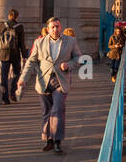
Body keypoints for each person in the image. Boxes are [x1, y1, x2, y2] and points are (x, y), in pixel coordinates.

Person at [16, 17, 82, 154]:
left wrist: (68, 65)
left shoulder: (70, 41)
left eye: (57, 26)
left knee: (57, 110)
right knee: (46, 112)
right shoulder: (39, 43)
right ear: (48, 29)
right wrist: (23, 78)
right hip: (43, 82)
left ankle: (57, 141)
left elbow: (79, 58)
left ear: (61, 27)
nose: (55, 29)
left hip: (60, 81)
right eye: (52, 27)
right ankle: (48, 140)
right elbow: (31, 62)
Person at [0, 8, 26, 105]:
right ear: (17, 17)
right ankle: (12, 92)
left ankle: (4, 98)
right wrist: (24, 55)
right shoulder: (19, 27)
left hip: (4, 54)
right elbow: (22, 43)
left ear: (9, 16)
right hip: (15, 54)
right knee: (17, 73)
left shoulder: (2, 25)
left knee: (3, 77)